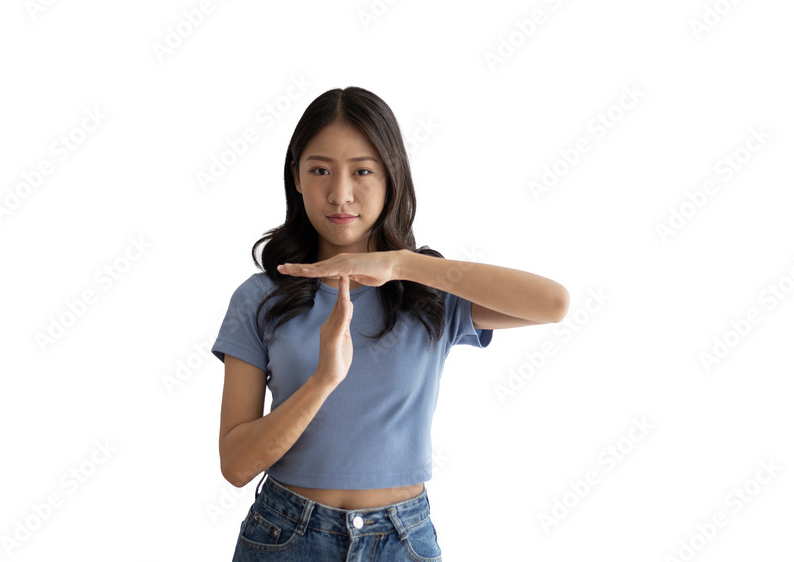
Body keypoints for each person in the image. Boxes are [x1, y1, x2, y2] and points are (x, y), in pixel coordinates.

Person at [211, 86, 569, 561]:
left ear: (391, 176)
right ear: (296, 176)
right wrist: (322, 381)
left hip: (400, 540)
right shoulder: (259, 298)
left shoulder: (428, 291)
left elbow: (553, 303)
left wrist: (403, 264)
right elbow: (236, 465)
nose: (340, 194)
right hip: (285, 535)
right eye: (320, 170)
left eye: (362, 171)